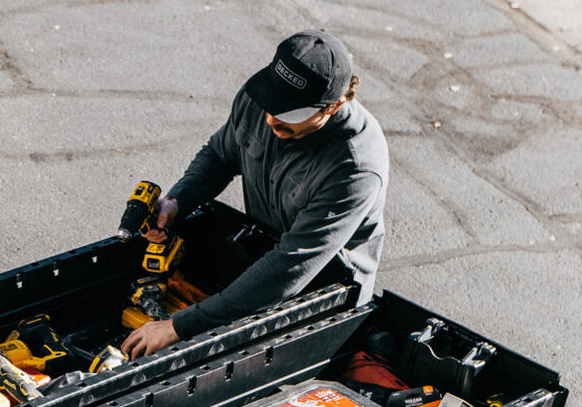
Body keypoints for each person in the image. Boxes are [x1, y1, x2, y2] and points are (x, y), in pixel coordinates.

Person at [120, 29, 388, 358]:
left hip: (323, 296)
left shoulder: (355, 168)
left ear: (334, 106)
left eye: (289, 113)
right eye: (272, 104)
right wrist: (177, 203)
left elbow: (291, 264)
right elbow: (220, 156)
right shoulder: (259, 101)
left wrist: (180, 326)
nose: (271, 119)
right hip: (263, 259)